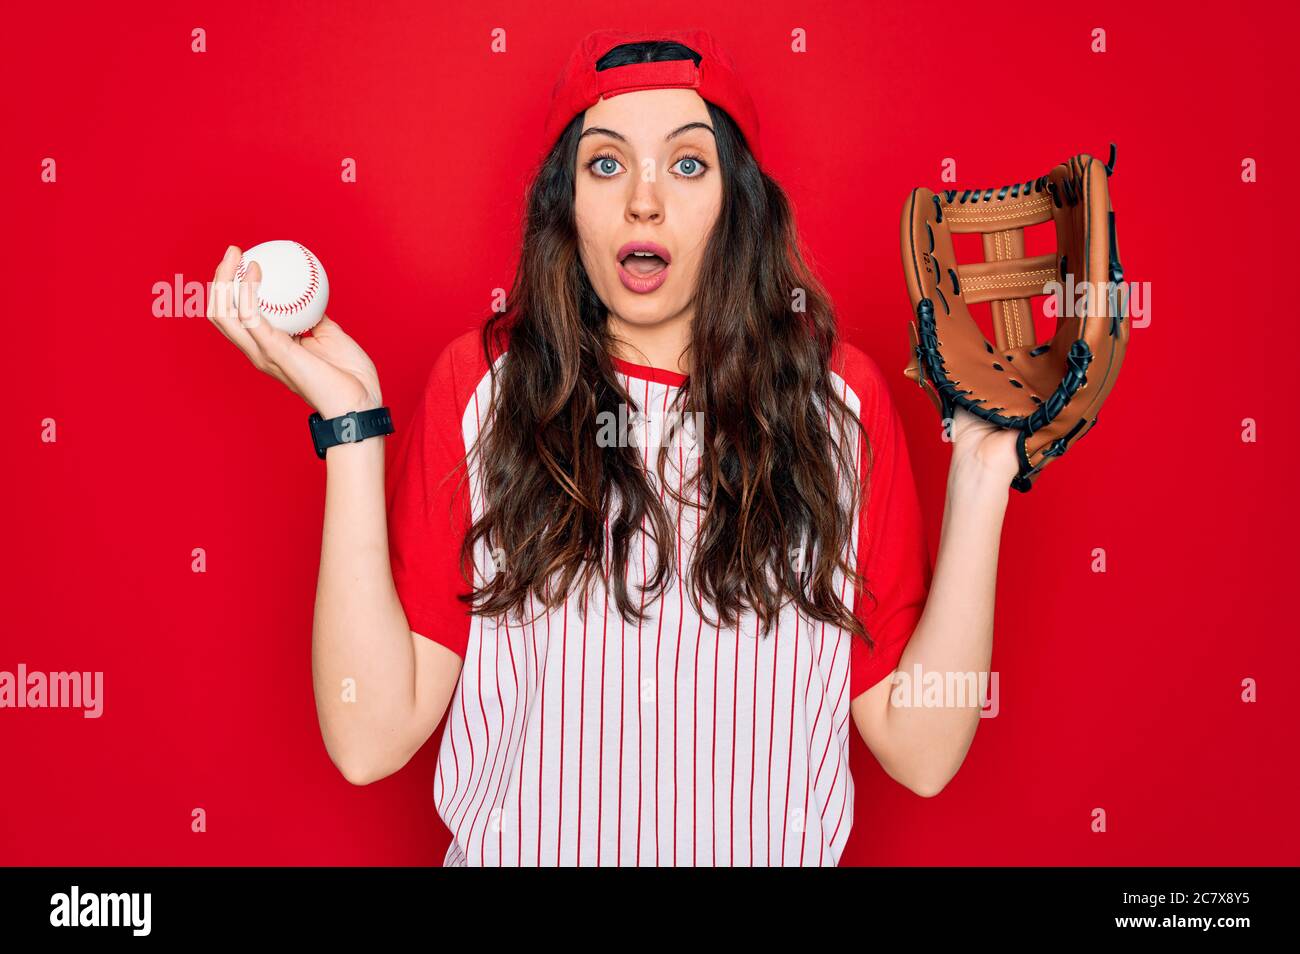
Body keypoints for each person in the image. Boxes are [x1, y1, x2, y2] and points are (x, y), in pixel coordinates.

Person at [205, 28, 1019, 867]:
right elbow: (368, 736)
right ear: (566, 205)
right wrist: (352, 423)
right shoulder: (483, 387)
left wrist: (983, 476)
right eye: (606, 164)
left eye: (688, 164)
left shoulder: (838, 402)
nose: (644, 199)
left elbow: (920, 752)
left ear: (739, 204)